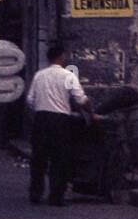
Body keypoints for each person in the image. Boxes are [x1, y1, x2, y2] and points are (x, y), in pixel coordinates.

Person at [25, 41, 90, 206]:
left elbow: (30, 99)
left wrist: (39, 109)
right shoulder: (68, 76)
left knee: (39, 158)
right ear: (61, 57)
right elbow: (81, 99)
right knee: (59, 160)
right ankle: (56, 196)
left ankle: (35, 193)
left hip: (41, 119)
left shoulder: (39, 75)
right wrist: (90, 112)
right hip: (60, 121)